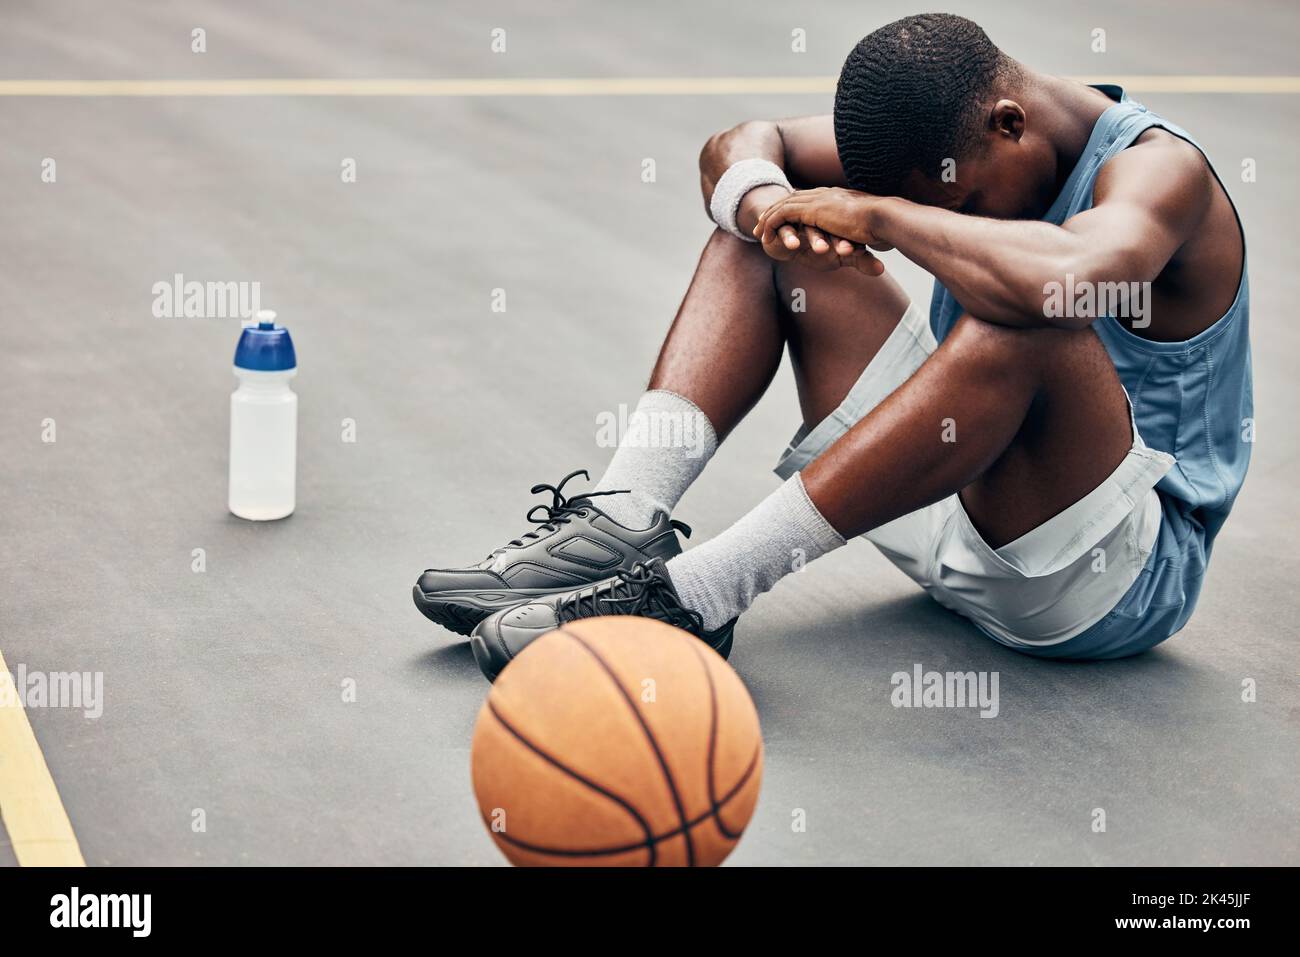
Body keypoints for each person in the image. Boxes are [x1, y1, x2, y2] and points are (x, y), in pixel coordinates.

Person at [413, 13, 1251, 682]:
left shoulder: (1162, 172)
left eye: (966, 204)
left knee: (1023, 317)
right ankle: (623, 519)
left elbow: (1066, 276)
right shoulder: (956, 141)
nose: (960, 223)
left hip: (1105, 580)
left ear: (1009, 123)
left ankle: (695, 599)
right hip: (943, 500)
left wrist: (885, 217)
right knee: (766, 232)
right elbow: (739, 144)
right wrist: (768, 204)